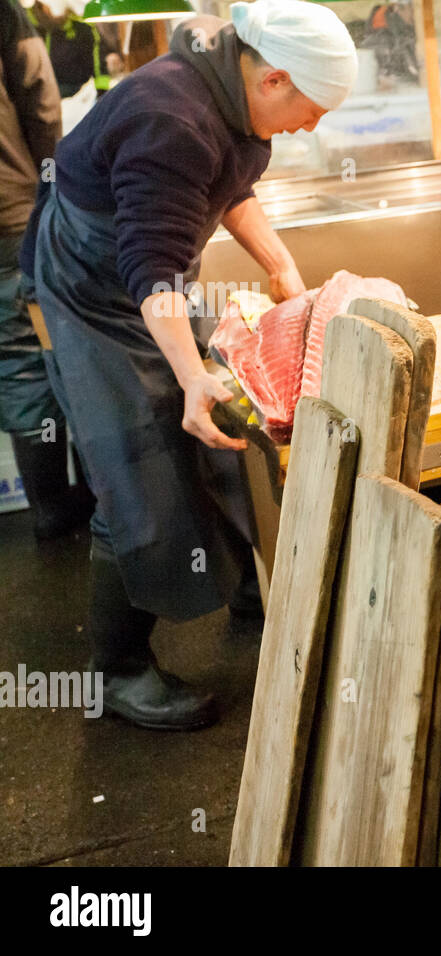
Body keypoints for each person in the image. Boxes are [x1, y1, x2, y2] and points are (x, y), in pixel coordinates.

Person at [22, 0, 357, 731]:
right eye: (312, 108)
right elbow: (149, 266)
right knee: (138, 466)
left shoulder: (231, 96)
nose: (313, 126)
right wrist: (189, 376)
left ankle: (244, 585)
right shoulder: (171, 120)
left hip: (153, 283)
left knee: (233, 426)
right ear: (273, 79)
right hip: (95, 288)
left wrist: (282, 269)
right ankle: (116, 672)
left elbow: (228, 186)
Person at [2, 0, 94, 539]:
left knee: (15, 365)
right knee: (59, 349)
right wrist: (53, 193)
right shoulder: (6, 15)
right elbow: (40, 101)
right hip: (13, 217)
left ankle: (51, 511)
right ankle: (91, 501)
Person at [24, 0, 121, 100]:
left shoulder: (83, 28)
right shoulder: (28, 27)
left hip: (78, 94)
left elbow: (97, 62)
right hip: (37, 94)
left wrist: (102, 92)